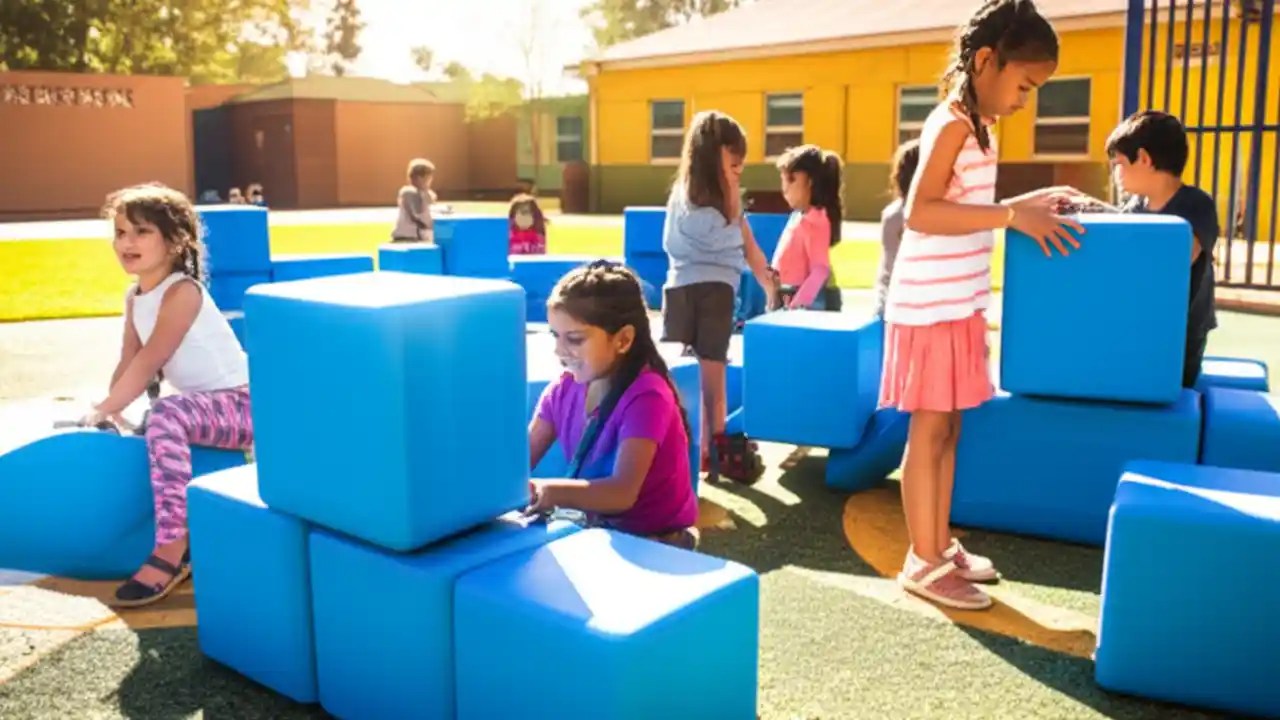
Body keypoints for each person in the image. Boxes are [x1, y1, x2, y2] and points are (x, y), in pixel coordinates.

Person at [882, 0, 1085, 610]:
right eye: (1024, 85)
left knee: (950, 427)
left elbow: (966, 206)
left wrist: (1029, 201)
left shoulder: (980, 127)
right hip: (929, 304)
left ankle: (938, 543)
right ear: (986, 61)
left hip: (959, 301)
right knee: (929, 430)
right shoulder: (951, 124)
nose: (1025, 100)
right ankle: (922, 560)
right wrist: (1011, 215)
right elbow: (921, 211)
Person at [85, 183, 254, 608]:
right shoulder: (135, 297)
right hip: (206, 408)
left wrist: (106, 407)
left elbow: (151, 360)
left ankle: (174, 545)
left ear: (175, 240)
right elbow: (129, 359)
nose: (127, 242)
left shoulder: (183, 292)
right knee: (152, 420)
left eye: (141, 232)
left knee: (165, 413)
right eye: (120, 233)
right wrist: (109, 412)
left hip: (246, 407)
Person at [526, 261, 699, 548]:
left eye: (575, 339)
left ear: (623, 339)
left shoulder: (647, 396)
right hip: (601, 533)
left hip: (658, 544)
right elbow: (520, 461)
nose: (559, 350)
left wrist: (547, 491)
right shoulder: (562, 390)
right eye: (555, 335)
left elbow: (621, 493)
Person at [661, 110, 777, 484]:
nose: (738, 171)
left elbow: (749, 247)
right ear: (711, 157)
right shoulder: (690, 197)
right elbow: (736, 243)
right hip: (690, 288)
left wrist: (769, 284)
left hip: (708, 290)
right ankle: (692, 447)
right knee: (683, 373)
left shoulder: (719, 200)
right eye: (733, 163)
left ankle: (712, 447)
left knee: (710, 372)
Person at [1062, 111, 1218, 388]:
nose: (1115, 174)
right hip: (1136, 324)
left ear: (1144, 159)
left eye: (1119, 164)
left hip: (1179, 335)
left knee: (1153, 383)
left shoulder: (1195, 205)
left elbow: (1175, 259)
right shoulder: (1135, 207)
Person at [771, 144, 844, 311]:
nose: (784, 188)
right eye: (783, 179)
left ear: (810, 182)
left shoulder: (816, 220)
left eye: (791, 179)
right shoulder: (797, 216)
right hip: (790, 294)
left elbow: (820, 269)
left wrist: (797, 306)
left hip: (811, 300)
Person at [875, 139, 921, 317]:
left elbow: (887, 268)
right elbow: (890, 268)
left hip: (900, 302)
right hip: (900, 303)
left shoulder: (894, 215)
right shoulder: (895, 216)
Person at [392, 158, 435, 243]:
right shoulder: (409, 192)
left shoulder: (425, 193)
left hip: (417, 237)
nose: (430, 181)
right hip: (406, 236)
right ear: (419, 178)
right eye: (428, 177)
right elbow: (418, 214)